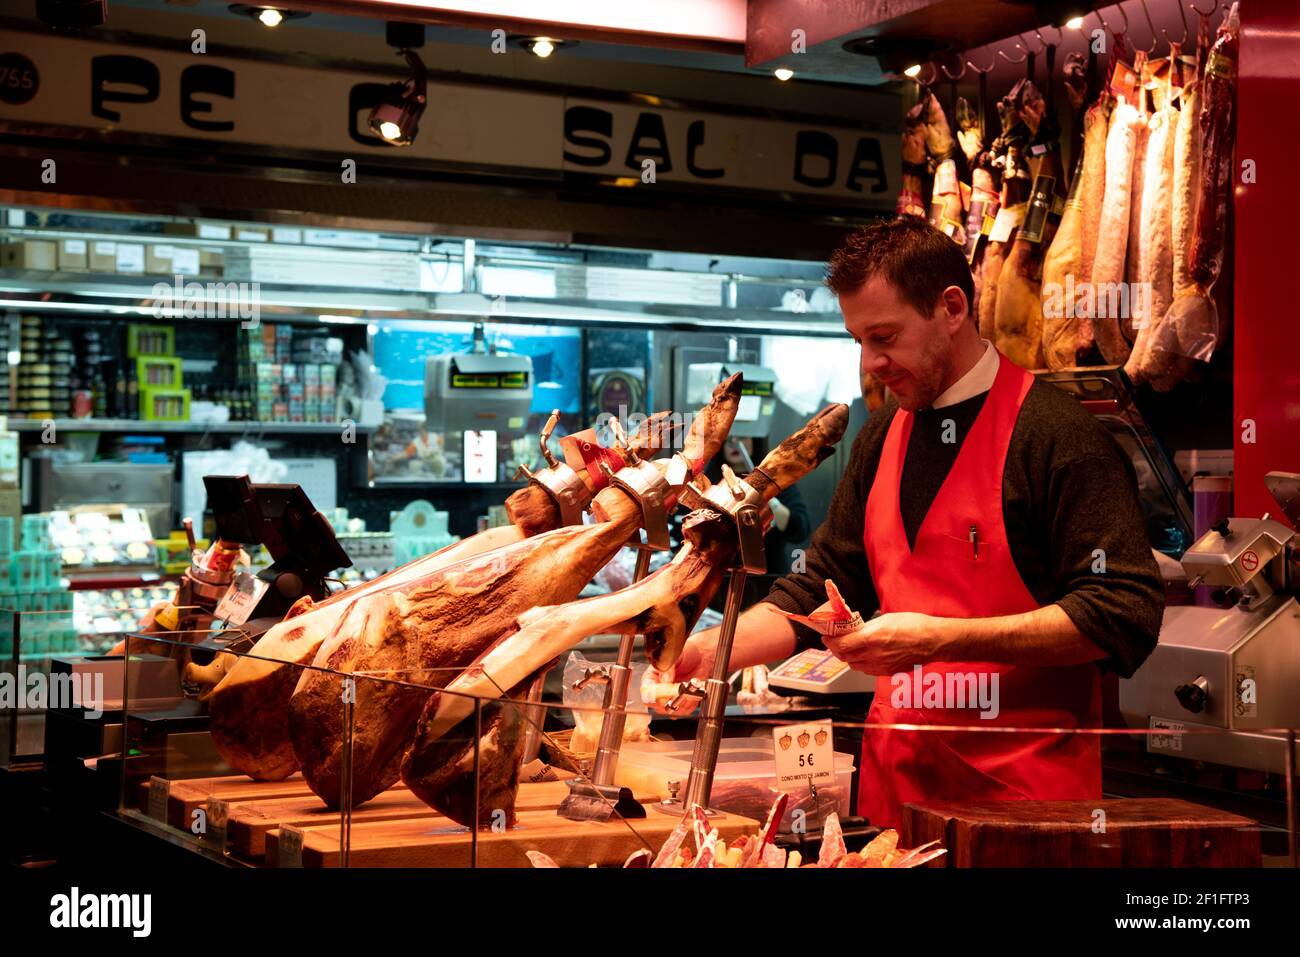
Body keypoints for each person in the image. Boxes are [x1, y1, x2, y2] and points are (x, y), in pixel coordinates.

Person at [668, 218, 1164, 827]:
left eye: (885, 336)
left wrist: (939, 639)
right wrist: (701, 656)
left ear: (951, 308)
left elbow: (1122, 612)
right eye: (857, 339)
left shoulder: (1058, 437)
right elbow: (818, 585)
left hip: (1027, 815)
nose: (871, 362)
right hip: (892, 801)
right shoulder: (881, 436)